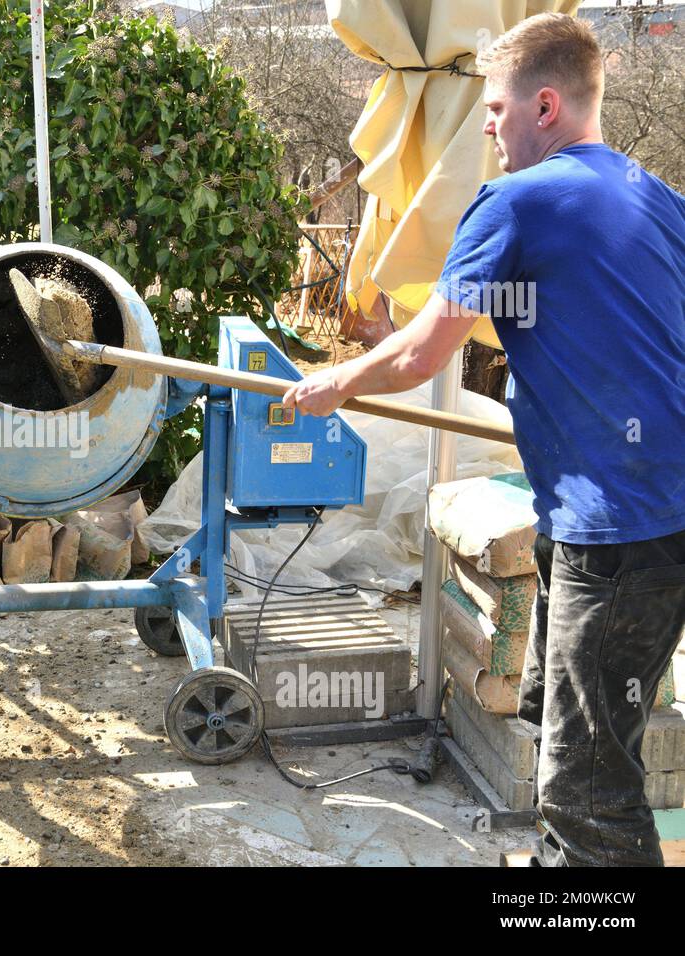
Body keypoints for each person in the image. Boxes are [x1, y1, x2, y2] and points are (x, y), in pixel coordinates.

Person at [282, 12, 685, 866]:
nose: (490, 129)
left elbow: (429, 348)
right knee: (555, 714)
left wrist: (338, 382)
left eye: (496, 110)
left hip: (619, 530)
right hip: (646, 518)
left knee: (587, 791)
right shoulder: (657, 198)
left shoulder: (515, 200)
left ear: (546, 105)